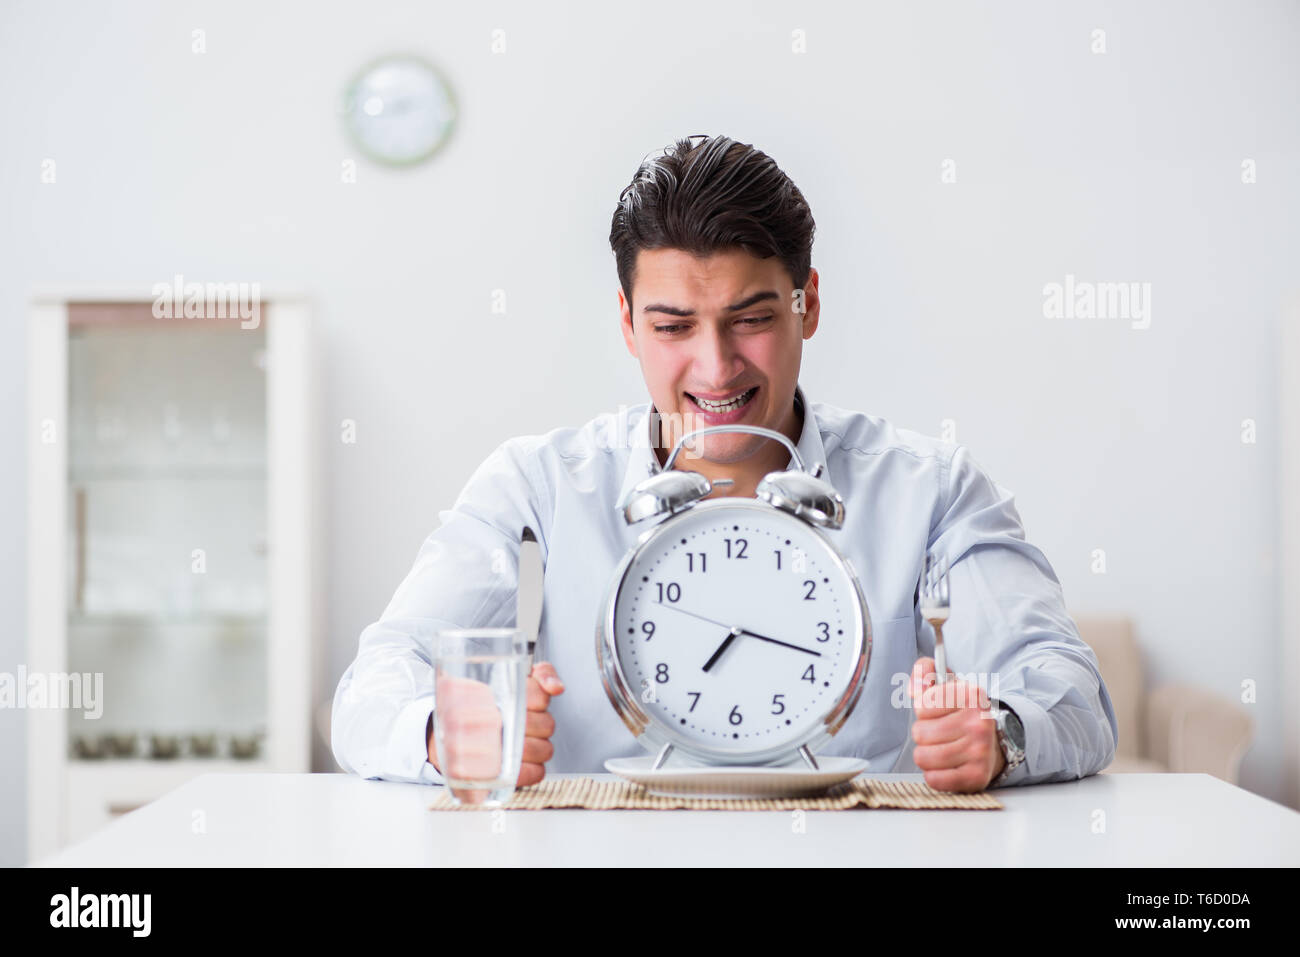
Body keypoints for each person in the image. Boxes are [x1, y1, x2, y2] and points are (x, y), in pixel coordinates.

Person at [331, 133, 1118, 793]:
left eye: (751, 319)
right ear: (628, 324)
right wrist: (440, 734)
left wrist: (1002, 736)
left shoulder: (931, 488)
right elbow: (374, 684)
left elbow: (1070, 690)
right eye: (674, 326)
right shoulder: (537, 486)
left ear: (807, 300)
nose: (715, 369)